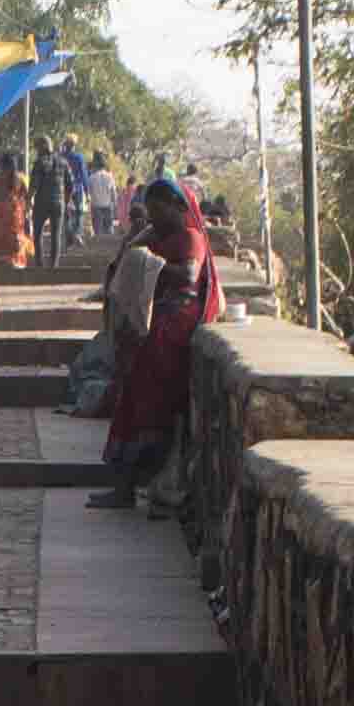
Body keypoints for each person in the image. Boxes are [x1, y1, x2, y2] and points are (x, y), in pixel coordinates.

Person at [92, 174, 220, 510]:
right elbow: (125, 260)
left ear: (178, 207)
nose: (155, 218)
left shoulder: (190, 237)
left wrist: (149, 265)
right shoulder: (157, 236)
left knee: (149, 408)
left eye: (159, 210)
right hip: (153, 328)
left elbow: (189, 276)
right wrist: (141, 241)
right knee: (132, 404)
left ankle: (137, 487)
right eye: (151, 211)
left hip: (172, 330)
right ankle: (124, 489)